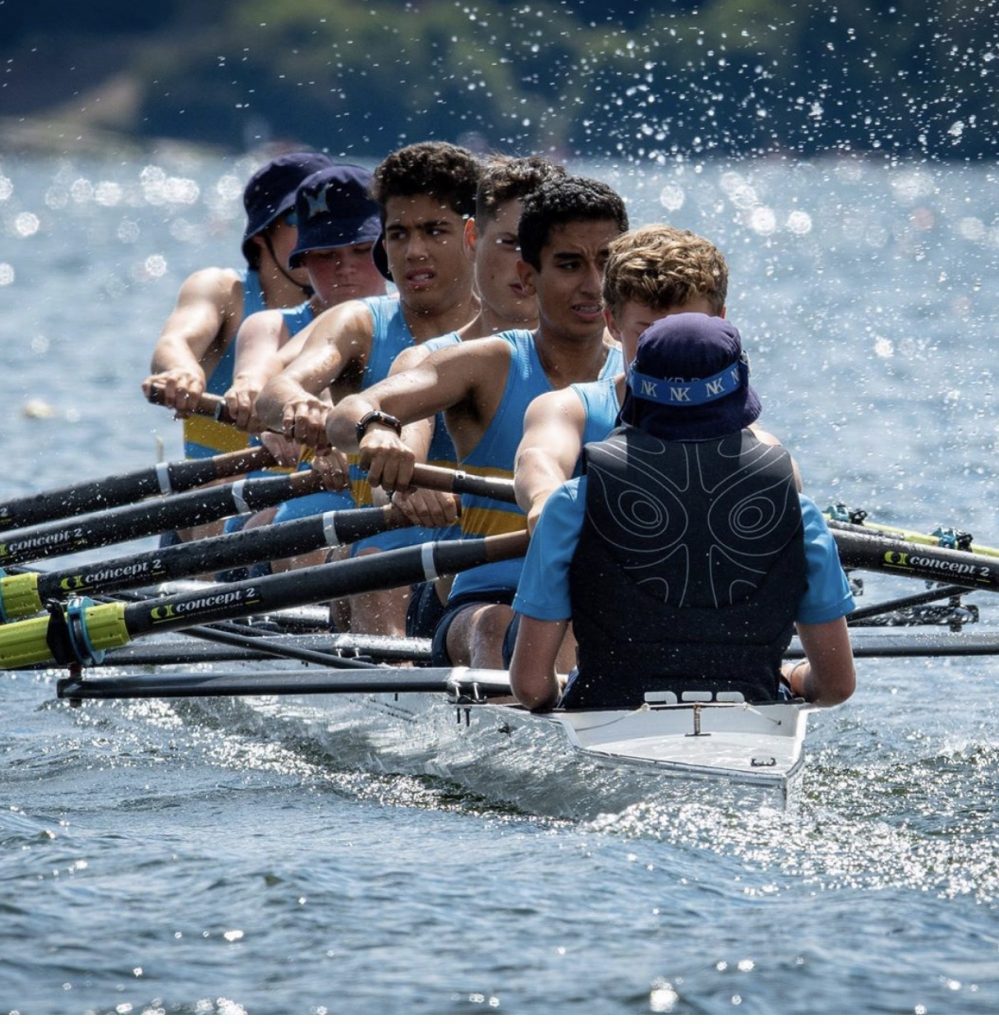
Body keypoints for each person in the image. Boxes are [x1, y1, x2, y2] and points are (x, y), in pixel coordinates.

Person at [324, 175, 629, 668]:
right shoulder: (486, 364)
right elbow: (349, 411)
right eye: (570, 265)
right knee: (497, 627)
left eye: (606, 263)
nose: (593, 285)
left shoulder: (643, 375)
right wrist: (376, 429)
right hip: (486, 598)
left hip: (602, 604)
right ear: (529, 276)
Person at [509, 313, 857, 712]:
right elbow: (836, 687)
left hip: (606, 709)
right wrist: (796, 678)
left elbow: (530, 687)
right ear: (739, 390)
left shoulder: (572, 503)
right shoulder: (798, 511)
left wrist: (558, 696)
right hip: (751, 715)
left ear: (636, 389)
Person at [254, 141, 482, 633]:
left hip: (477, 529)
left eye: (434, 231)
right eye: (398, 234)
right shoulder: (359, 322)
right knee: (370, 572)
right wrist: (299, 407)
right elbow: (276, 391)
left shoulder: (510, 332)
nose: (414, 251)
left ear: (472, 235)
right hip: (374, 526)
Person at [384, 155, 565, 637]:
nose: (526, 265)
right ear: (472, 239)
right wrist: (408, 475)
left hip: (576, 598)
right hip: (465, 597)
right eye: (510, 243)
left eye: (544, 248)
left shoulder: (621, 364)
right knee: (496, 626)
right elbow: (402, 434)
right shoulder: (429, 360)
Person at [516, 224, 753, 533]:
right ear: (612, 323)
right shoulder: (569, 411)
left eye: (687, 333)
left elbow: (779, 463)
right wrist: (545, 500)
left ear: (720, 319)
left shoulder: (742, 428)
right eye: (648, 333)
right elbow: (538, 457)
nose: (668, 352)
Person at [217, 162, 389, 565]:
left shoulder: (416, 323)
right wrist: (263, 401)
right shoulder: (274, 326)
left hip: (379, 500)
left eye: (361, 250)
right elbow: (261, 380)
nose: (346, 267)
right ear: (304, 262)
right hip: (291, 494)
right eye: (327, 255)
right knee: (288, 537)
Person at [142, 150, 333, 460]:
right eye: (300, 216)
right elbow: (177, 342)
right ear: (261, 234)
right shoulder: (221, 290)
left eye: (328, 215)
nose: (318, 231)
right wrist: (182, 373)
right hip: (221, 486)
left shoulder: (355, 307)